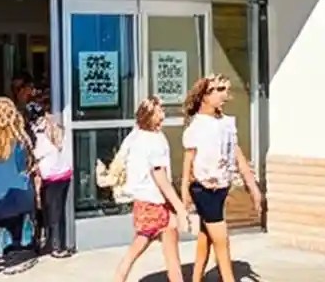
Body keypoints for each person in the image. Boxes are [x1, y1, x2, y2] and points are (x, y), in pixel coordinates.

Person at [98, 96, 189, 282]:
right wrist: (179, 206)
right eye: (159, 111)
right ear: (150, 115)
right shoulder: (155, 140)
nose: (163, 115)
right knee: (169, 255)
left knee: (139, 247)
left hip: (142, 202)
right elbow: (160, 176)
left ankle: (118, 278)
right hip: (157, 202)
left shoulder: (135, 136)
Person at [181, 75, 262, 282]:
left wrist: (252, 186)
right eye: (217, 89)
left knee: (206, 237)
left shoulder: (226, 123)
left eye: (224, 89)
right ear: (204, 96)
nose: (223, 94)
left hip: (221, 186)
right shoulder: (196, 127)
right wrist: (184, 194)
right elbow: (188, 162)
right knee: (221, 240)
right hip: (203, 188)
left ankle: (196, 278)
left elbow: (237, 153)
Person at [0, 96, 39, 275]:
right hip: (18, 198)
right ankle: (16, 253)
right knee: (18, 228)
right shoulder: (20, 143)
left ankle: (0, 254)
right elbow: (24, 168)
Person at [29, 101, 72, 258]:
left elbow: (36, 153)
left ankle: (56, 246)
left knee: (51, 212)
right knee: (55, 212)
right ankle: (55, 244)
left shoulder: (41, 134)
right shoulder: (53, 127)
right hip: (61, 174)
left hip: (53, 177)